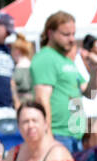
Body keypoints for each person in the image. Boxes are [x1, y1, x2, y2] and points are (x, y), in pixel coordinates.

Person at [29, 11, 84, 144]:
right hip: (58, 134)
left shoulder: (65, 59)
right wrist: (47, 136)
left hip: (74, 135)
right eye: (66, 34)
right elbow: (42, 98)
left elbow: (84, 89)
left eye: (73, 34)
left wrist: (94, 68)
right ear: (50, 33)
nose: (71, 39)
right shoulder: (46, 57)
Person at [8, 99, 74, 161]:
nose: (31, 125)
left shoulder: (57, 152)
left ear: (46, 124)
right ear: (18, 126)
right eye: (25, 122)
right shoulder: (14, 153)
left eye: (35, 120)